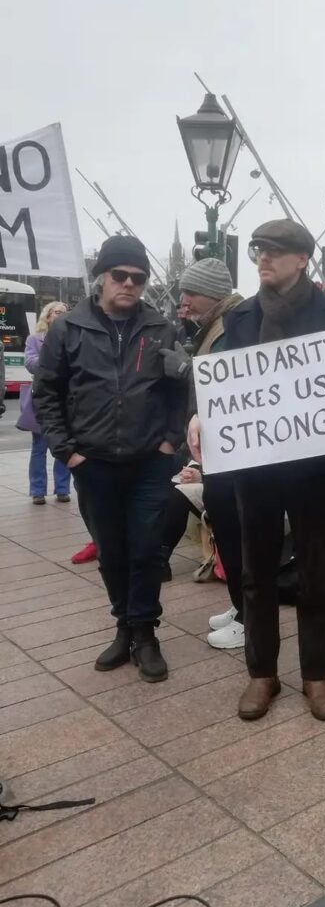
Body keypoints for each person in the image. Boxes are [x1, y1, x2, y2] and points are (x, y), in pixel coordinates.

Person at [188, 219, 325, 722]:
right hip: (256, 469)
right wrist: (201, 415)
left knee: (315, 572)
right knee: (256, 572)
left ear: (302, 259)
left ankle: (316, 674)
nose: (263, 258)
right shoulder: (242, 316)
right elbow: (220, 382)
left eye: (274, 250)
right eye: (258, 250)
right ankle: (262, 673)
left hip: (313, 467)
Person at [34, 235, 187, 683]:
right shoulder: (69, 328)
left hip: (149, 462)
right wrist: (67, 452)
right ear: (102, 276)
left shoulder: (161, 328)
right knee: (111, 551)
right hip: (94, 463)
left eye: (139, 278)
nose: (129, 284)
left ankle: (146, 631)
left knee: (146, 549)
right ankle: (125, 626)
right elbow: (47, 393)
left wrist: (170, 443)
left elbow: (180, 392)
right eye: (120, 275)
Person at [160, 256, 246, 649]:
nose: (184, 301)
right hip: (220, 453)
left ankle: (248, 616)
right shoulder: (215, 326)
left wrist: (185, 369)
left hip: (232, 456)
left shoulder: (229, 327)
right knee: (227, 531)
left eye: (190, 293)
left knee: (234, 534)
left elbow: (230, 383)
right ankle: (242, 606)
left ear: (212, 294)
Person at [16, 302, 71, 505]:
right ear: (47, 316)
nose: (61, 315)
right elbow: (30, 364)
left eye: (64, 313)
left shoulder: (72, 338)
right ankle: (38, 491)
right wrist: (51, 357)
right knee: (39, 448)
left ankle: (62, 489)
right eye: (57, 312)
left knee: (65, 447)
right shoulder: (35, 339)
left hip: (66, 399)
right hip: (43, 399)